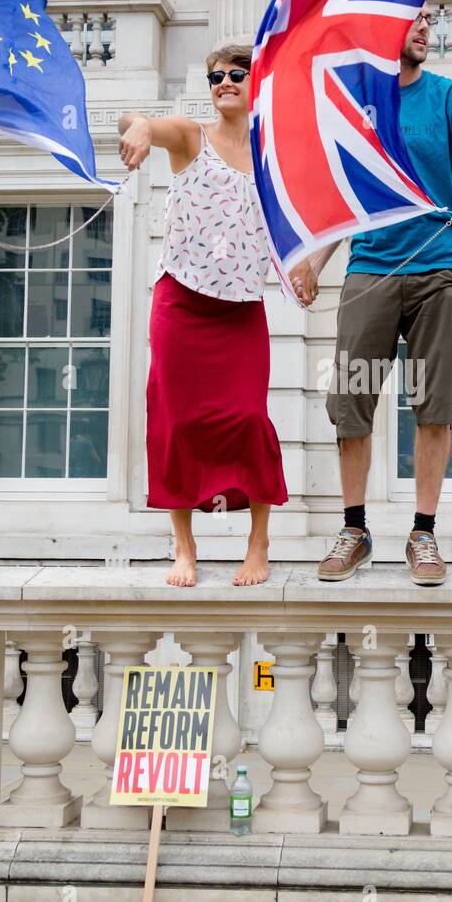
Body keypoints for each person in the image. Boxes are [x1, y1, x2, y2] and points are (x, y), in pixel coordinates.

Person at [292, 4, 452, 585]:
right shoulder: (361, 102)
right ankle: (355, 529)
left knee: (433, 404)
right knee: (350, 402)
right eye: (413, 19)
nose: (423, 29)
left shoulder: (449, 95)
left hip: (441, 268)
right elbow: (346, 197)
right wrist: (315, 262)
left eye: (430, 22)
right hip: (371, 267)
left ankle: (423, 533)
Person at [118, 44, 287, 588]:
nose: (224, 82)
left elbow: (298, 223)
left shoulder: (272, 155)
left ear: (255, 82)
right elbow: (140, 121)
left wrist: (304, 269)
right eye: (215, 75)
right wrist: (140, 129)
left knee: (248, 419)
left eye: (237, 74)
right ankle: (184, 548)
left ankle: (257, 544)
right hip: (181, 303)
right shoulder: (192, 136)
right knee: (176, 421)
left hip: (240, 310)